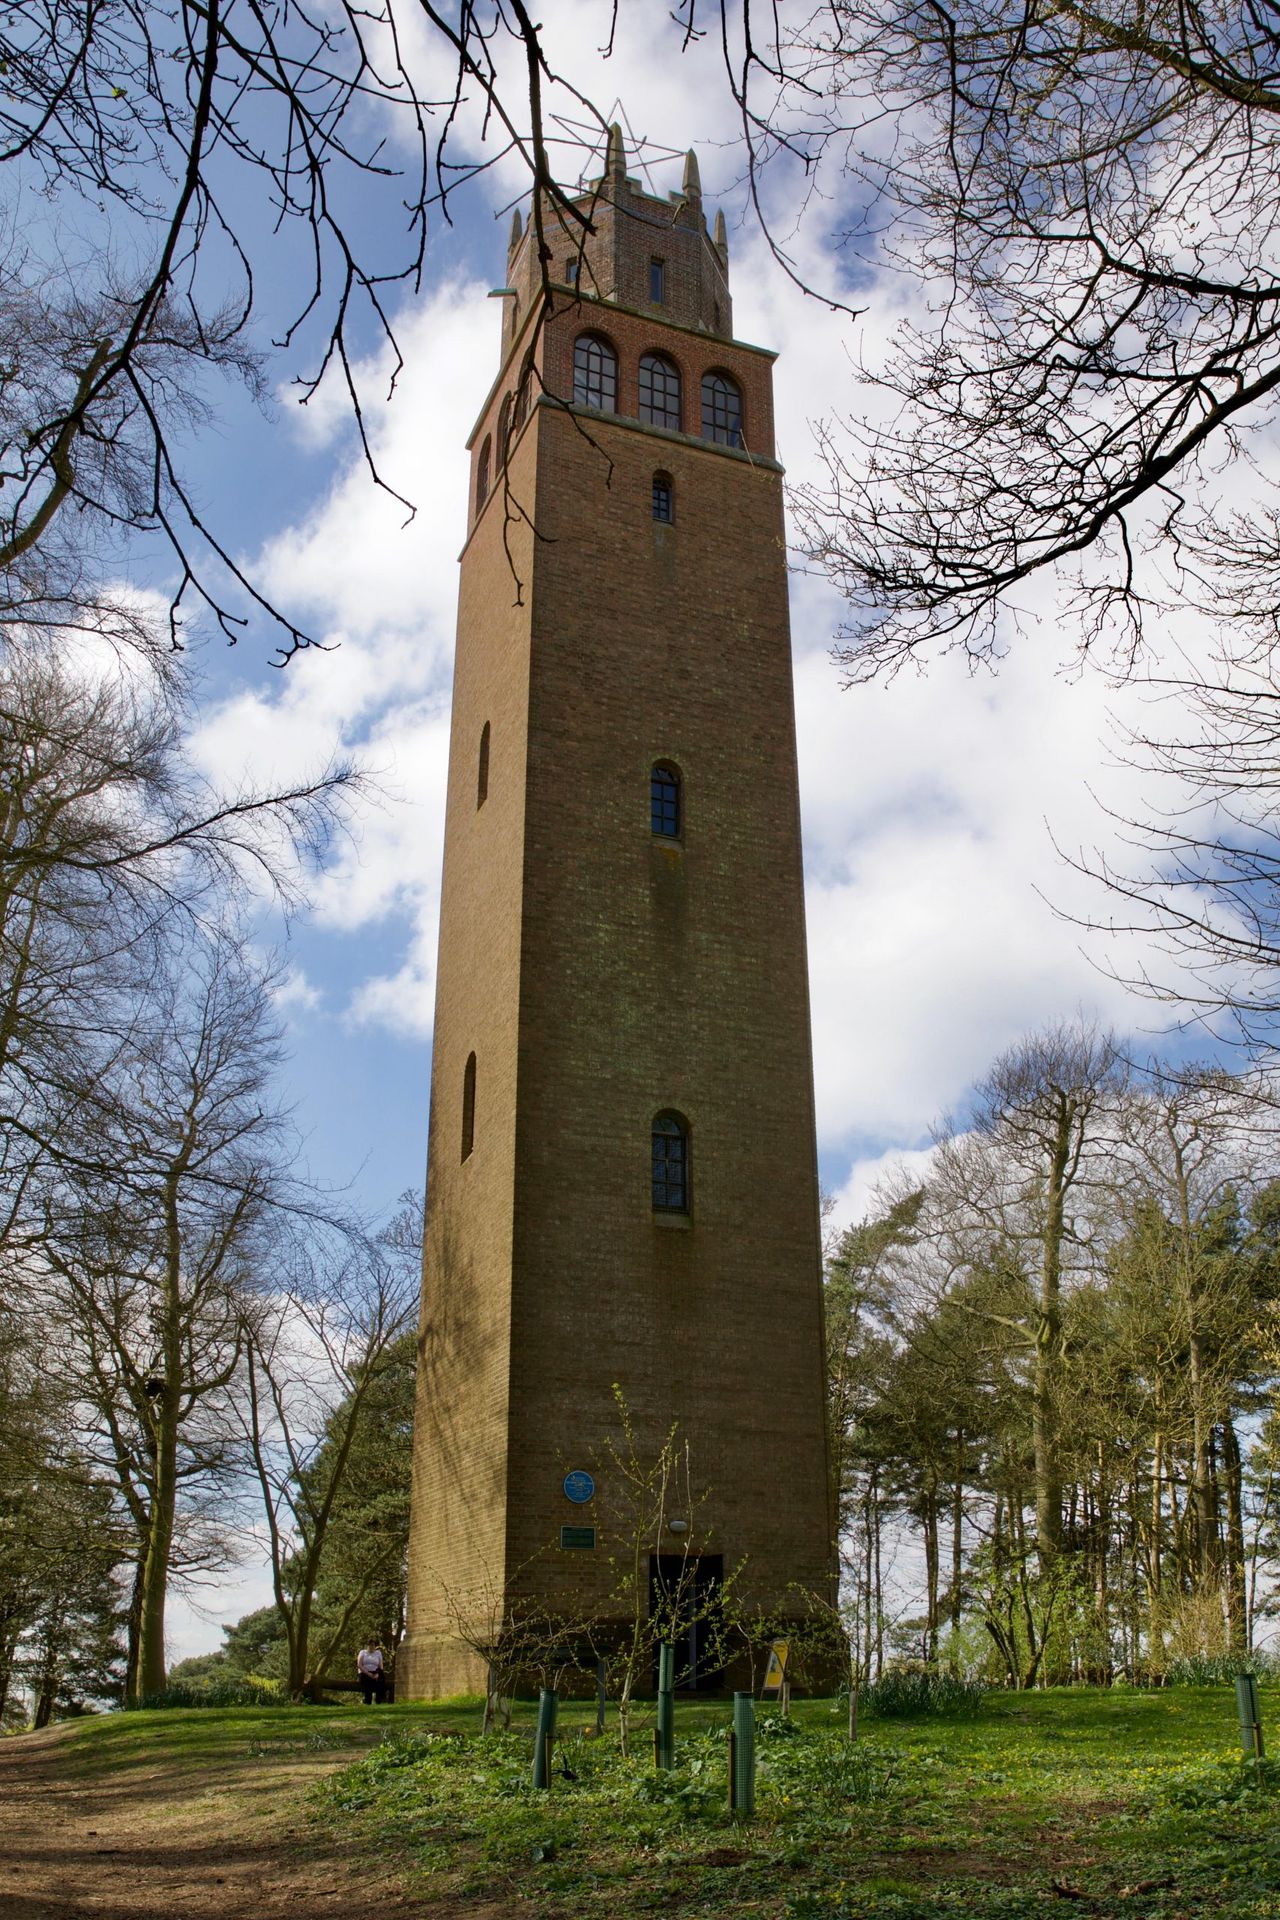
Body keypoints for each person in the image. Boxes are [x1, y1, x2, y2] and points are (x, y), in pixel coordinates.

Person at [356, 1639, 387, 1705]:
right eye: (370, 1645)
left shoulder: (378, 1653)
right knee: (368, 1683)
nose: (372, 1646)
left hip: (375, 1672)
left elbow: (381, 1666)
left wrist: (377, 1674)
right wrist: (368, 1673)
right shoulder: (362, 1652)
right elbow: (359, 1665)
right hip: (364, 1672)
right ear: (367, 1645)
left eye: (373, 1645)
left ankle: (379, 1700)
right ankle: (367, 1701)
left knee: (380, 1682)